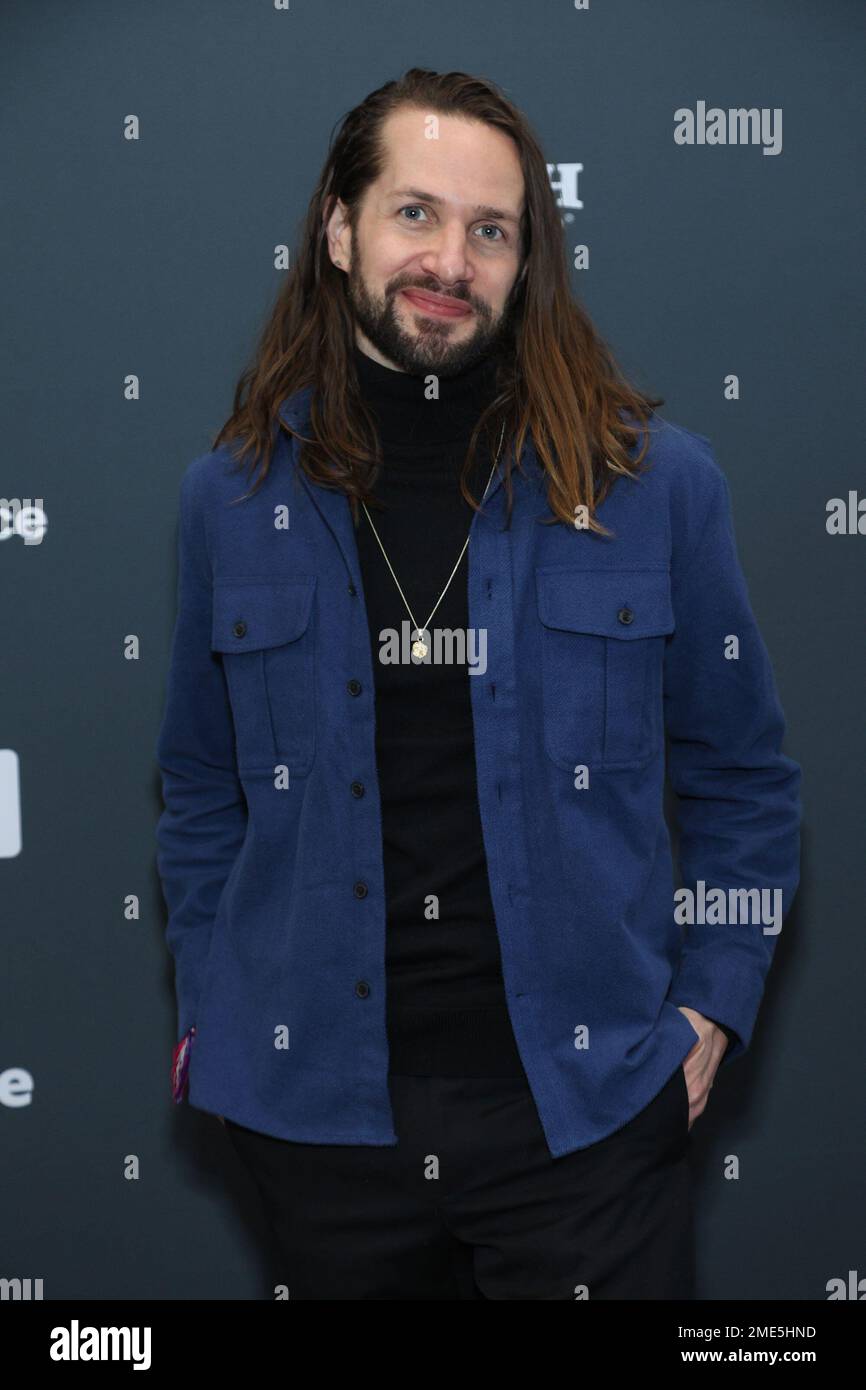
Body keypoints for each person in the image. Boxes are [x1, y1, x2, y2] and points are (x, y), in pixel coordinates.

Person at [155, 67, 801, 1300]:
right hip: (317, 1131)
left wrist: (708, 1012)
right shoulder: (230, 500)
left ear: (525, 257)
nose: (449, 258)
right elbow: (199, 787)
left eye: (489, 229)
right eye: (414, 214)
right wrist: (214, 1017)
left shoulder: (655, 486)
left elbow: (746, 786)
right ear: (338, 229)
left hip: (588, 1119)